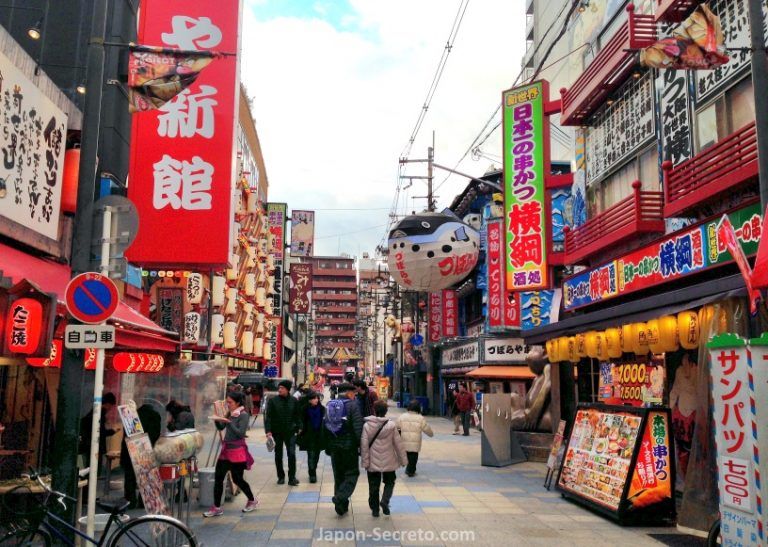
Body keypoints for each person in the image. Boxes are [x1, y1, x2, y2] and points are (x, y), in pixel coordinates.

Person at [203, 391, 258, 517]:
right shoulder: (231, 413)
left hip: (237, 452)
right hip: (226, 451)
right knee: (218, 478)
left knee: (237, 479)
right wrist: (217, 419)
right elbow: (221, 428)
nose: (228, 405)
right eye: (227, 402)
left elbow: (240, 433)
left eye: (230, 402)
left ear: (237, 402)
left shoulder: (243, 415)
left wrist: (228, 422)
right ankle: (216, 507)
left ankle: (252, 500)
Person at [361, 400, 406, 517]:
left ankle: (375, 509)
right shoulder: (391, 425)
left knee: (373, 485)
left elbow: (364, 445)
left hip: (373, 461)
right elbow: (398, 444)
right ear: (386, 411)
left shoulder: (367, 425)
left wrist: (365, 462)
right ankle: (385, 501)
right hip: (389, 460)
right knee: (390, 482)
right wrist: (403, 460)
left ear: (374, 410)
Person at [324, 383, 363, 516]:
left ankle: (341, 508)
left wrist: (328, 446)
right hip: (349, 447)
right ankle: (340, 498)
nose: (354, 396)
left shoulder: (329, 404)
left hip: (334, 447)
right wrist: (360, 446)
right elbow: (358, 428)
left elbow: (325, 427)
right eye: (354, 394)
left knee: (339, 476)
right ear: (349, 393)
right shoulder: (353, 405)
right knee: (352, 473)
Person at [121, 404, 161, 508]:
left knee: (130, 477)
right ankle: (143, 502)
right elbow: (155, 434)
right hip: (145, 449)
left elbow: (126, 436)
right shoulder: (155, 416)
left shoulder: (131, 416)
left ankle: (130, 501)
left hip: (130, 449)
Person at [265, 379, 301, 485]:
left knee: (292, 454)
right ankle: (281, 477)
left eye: (282, 388)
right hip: (277, 432)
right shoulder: (273, 401)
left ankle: (292, 478)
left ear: (288, 390)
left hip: (290, 432)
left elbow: (298, 415)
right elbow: (269, 417)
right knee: (278, 455)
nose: (279, 390)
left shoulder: (294, 401)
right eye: (279, 388)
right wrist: (268, 431)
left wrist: (299, 427)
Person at [396, 399, 434, 477]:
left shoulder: (402, 416)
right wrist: (431, 434)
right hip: (415, 442)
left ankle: (409, 468)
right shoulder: (420, 418)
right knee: (413, 457)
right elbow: (426, 428)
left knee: (407, 454)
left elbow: (396, 427)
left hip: (404, 440)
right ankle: (411, 471)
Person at [79, 392, 117, 461]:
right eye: (111, 406)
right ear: (108, 404)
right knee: (95, 466)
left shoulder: (94, 411)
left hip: (89, 446)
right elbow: (100, 432)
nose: (110, 409)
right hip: (94, 446)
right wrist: (113, 431)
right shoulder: (99, 414)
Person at [297, 391, 325, 483]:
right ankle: (312, 474)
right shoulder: (304, 409)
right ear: (309, 400)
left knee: (316, 455)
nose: (316, 400)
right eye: (314, 398)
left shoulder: (322, 409)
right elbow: (300, 421)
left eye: (317, 398)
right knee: (311, 455)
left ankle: (313, 469)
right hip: (309, 435)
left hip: (319, 435)